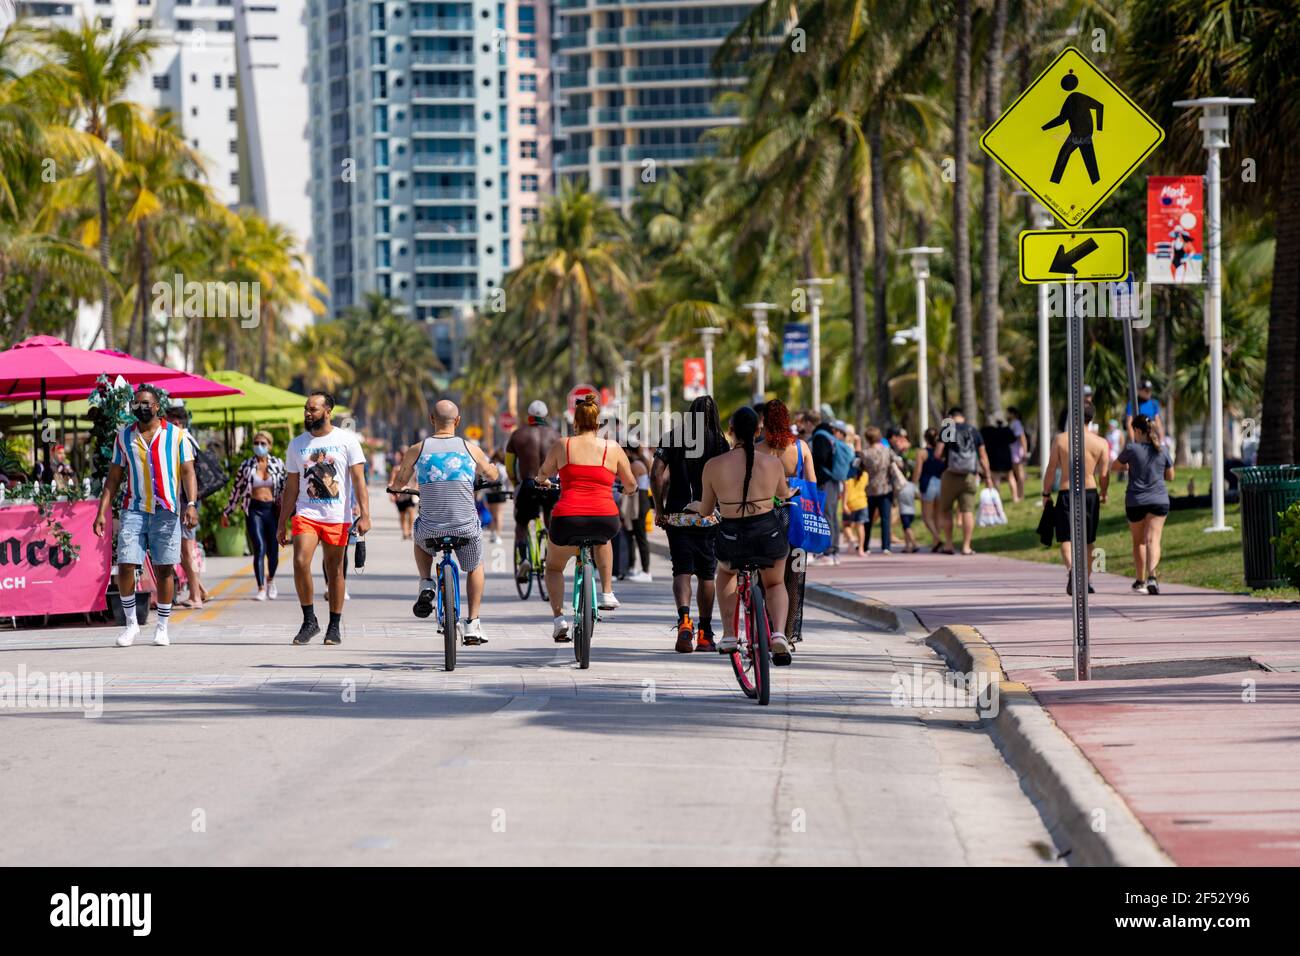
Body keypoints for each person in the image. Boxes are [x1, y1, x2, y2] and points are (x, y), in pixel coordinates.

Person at [93, 385, 198, 648]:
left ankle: (162, 626)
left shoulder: (176, 435)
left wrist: (192, 503)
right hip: (134, 509)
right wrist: (102, 511)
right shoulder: (123, 437)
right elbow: (114, 476)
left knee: (164, 569)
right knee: (126, 564)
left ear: (157, 407)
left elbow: (188, 472)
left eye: (146, 403)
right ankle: (131, 624)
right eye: (136, 404)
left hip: (166, 511)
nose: (141, 408)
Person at [388, 400, 500, 644]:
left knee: (418, 536)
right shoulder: (470, 449)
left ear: (431, 419)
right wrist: (490, 470)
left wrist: (397, 487)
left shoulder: (417, 449)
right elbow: (492, 475)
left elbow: (399, 483)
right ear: (457, 421)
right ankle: (473, 623)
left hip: (431, 528)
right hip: (465, 527)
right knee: (475, 565)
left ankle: (426, 581)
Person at [691, 406, 793, 663]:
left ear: (731, 431)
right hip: (767, 532)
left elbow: (705, 510)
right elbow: (783, 495)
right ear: (758, 431)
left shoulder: (714, 465)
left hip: (732, 535)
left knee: (726, 572)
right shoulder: (773, 463)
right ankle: (779, 634)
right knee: (775, 583)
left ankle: (728, 634)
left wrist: (695, 507)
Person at [536, 394, 636, 642]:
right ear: (599, 423)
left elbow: (542, 473)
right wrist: (627, 489)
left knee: (553, 567)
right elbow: (631, 483)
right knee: (604, 538)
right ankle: (607, 592)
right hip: (604, 518)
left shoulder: (563, 445)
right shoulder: (612, 448)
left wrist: (543, 482)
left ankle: (559, 619)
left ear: (575, 423)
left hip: (567, 518)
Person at [278, 391, 371, 645]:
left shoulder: (346, 440)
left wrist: (365, 514)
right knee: (300, 561)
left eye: (314, 409)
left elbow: (359, 480)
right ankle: (309, 621)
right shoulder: (297, 444)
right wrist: (281, 522)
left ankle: (334, 625)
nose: (308, 413)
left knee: (335, 571)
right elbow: (292, 486)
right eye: (307, 409)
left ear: (328, 412)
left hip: (336, 516)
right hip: (306, 514)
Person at [652, 395, 730, 652]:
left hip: (678, 515)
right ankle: (705, 634)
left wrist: (659, 509)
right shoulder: (720, 442)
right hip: (709, 517)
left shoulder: (673, 437)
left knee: (681, 570)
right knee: (707, 574)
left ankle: (685, 622)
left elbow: (656, 474)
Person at [757, 399, 816, 643]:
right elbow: (812, 483)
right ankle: (788, 634)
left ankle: (769, 629)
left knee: (768, 578)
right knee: (795, 578)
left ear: (765, 422)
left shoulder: (758, 449)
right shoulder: (801, 448)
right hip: (798, 517)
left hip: (767, 515)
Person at [1042, 404, 1110, 594]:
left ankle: (1073, 571)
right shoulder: (1101, 443)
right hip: (1089, 492)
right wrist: (1104, 493)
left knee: (1066, 538)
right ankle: (1085, 580)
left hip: (1066, 491)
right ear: (1092, 418)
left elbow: (1051, 468)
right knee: (1088, 540)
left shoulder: (1061, 440)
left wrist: (1046, 493)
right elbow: (1104, 474)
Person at [1112, 414, 1173, 595]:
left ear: (1138, 431)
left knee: (1139, 542)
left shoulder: (1132, 449)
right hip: (1159, 500)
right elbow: (1171, 476)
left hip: (1135, 501)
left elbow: (1114, 466)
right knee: (1153, 540)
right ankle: (1152, 576)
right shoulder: (1163, 450)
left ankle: (1140, 581)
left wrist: (1130, 466)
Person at [223, 429, 287, 601]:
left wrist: (291, 511)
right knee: (259, 548)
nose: (259, 446)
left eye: (263, 443)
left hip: (272, 511)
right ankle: (260, 588)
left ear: (270, 446)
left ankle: (271, 580)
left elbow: (286, 488)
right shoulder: (246, 465)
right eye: (256, 443)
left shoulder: (278, 464)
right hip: (254, 510)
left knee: (273, 551)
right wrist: (227, 511)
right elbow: (236, 490)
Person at [506, 400, 561, 583]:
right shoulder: (556, 436)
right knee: (550, 520)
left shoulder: (518, 435)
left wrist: (515, 483)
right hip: (551, 484)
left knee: (521, 523)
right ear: (545, 416)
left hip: (528, 484)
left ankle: (524, 559)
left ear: (529, 416)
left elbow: (509, 467)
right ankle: (551, 557)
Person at [935, 407, 995, 555]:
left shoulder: (948, 429)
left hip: (950, 475)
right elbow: (983, 455)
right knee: (967, 511)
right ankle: (966, 546)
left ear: (951, 417)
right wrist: (987, 477)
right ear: (963, 416)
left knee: (946, 510)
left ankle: (949, 545)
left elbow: (937, 453)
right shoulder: (973, 430)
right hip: (969, 476)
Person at [806, 413, 842, 564]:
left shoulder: (820, 436)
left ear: (809, 423)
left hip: (825, 480)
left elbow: (821, 457)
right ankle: (834, 550)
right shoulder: (828, 435)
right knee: (832, 515)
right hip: (833, 480)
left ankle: (829, 551)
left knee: (827, 515)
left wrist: (810, 458)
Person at [859, 426, 897, 555]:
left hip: (870, 489)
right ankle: (886, 546)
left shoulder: (865, 453)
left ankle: (865, 546)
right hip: (886, 488)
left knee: (868, 519)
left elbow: (860, 467)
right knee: (885, 519)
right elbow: (898, 463)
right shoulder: (887, 451)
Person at [622, 439, 652, 583]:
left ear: (628, 452)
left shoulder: (635, 465)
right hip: (642, 500)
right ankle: (635, 567)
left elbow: (629, 483)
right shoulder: (643, 462)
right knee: (637, 535)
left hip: (638, 501)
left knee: (639, 536)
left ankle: (645, 570)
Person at [912, 427, 946, 551]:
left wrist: (913, 484)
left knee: (926, 517)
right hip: (941, 483)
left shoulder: (922, 452)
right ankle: (936, 543)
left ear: (925, 438)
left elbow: (918, 471)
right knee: (937, 515)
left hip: (928, 483)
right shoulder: (942, 452)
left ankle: (937, 538)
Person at [389, 448, 418, 540]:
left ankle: (409, 531)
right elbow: (392, 482)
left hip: (411, 493)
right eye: (403, 454)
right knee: (402, 514)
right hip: (400, 495)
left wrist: (416, 489)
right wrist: (391, 493)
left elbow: (418, 480)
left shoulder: (414, 467)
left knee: (411, 513)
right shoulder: (397, 468)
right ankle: (404, 532)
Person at [484, 449, 510, 544]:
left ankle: (494, 534)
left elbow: (486, 478)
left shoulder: (491, 466)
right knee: (498, 514)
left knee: (492, 515)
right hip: (500, 492)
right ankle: (497, 535)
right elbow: (505, 479)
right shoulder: (503, 467)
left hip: (490, 492)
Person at [1007, 408, 1028, 503]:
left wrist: (1024, 451)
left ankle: (1021, 495)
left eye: (1008, 413)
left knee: (1020, 474)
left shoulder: (1016, 423)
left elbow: (1022, 438)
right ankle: (1018, 495)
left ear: (1013, 414)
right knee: (1016, 474)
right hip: (1013, 453)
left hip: (1017, 453)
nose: (1006, 414)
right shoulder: (1012, 423)